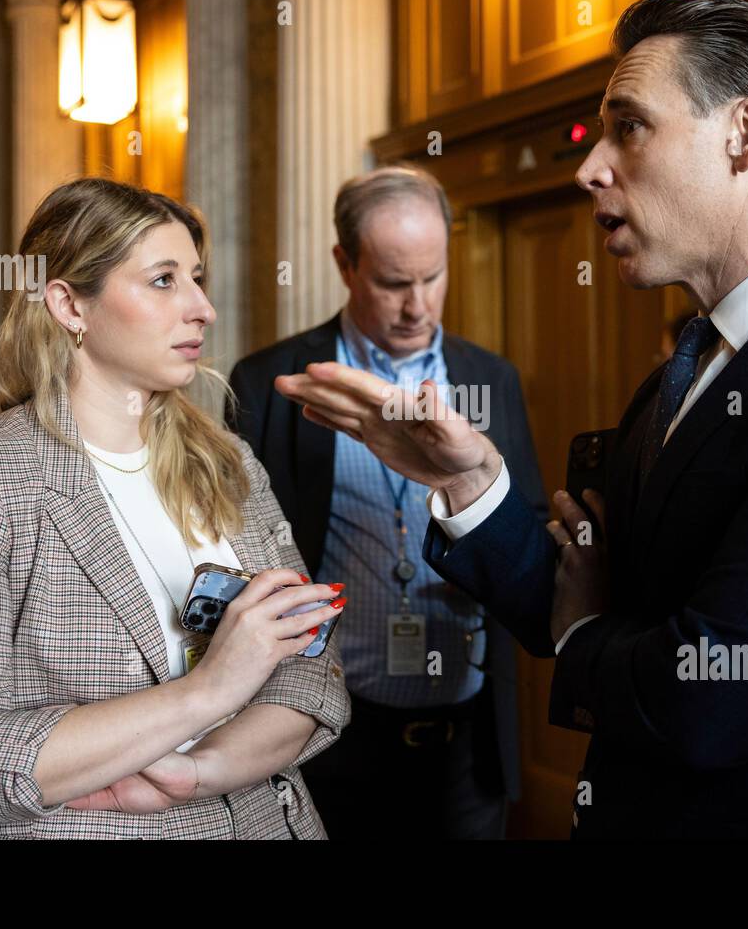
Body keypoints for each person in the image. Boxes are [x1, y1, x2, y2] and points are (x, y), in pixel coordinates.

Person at [274, 0, 748, 838]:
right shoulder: (676, 376)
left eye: (630, 127)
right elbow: (589, 600)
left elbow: (712, 689)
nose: (590, 167)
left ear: (745, 134)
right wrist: (467, 480)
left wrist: (585, 638)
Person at [0, 177, 350, 839]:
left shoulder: (228, 460)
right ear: (70, 304)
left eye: (197, 277)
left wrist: (204, 771)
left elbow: (314, 670)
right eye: (163, 280)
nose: (203, 308)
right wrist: (206, 692)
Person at [227, 166, 547, 839]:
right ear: (345, 264)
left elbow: (528, 528)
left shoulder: (491, 377)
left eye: (432, 277)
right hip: (330, 735)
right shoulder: (270, 382)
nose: (418, 306)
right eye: (394, 282)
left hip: (468, 741)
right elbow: (237, 558)